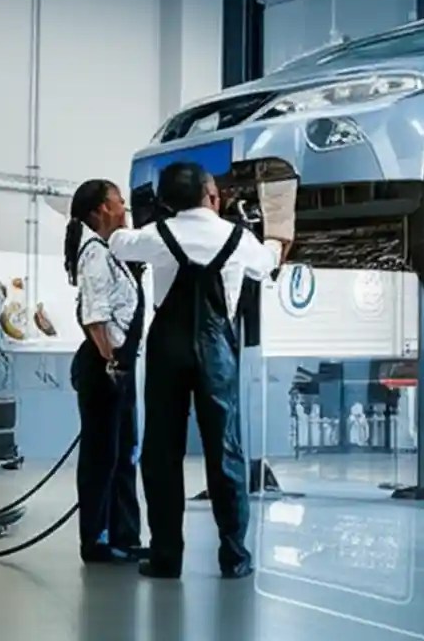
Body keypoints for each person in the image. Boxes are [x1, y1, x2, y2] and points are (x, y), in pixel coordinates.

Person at [108, 161, 292, 580]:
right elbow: (268, 262)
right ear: (214, 196)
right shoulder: (239, 238)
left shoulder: (156, 235)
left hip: (167, 350)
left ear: (167, 202)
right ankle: (235, 557)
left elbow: (118, 243)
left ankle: (166, 557)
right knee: (226, 452)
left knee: (161, 454)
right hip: (217, 352)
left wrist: (129, 215)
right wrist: (280, 239)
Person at [63, 179, 147, 565]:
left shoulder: (112, 252)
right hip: (104, 368)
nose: (124, 208)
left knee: (125, 452)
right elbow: (94, 316)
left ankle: (125, 535)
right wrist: (111, 362)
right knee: (102, 457)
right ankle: (96, 541)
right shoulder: (94, 253)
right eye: (119, 202)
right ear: (100, 210)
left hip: (119, 366)